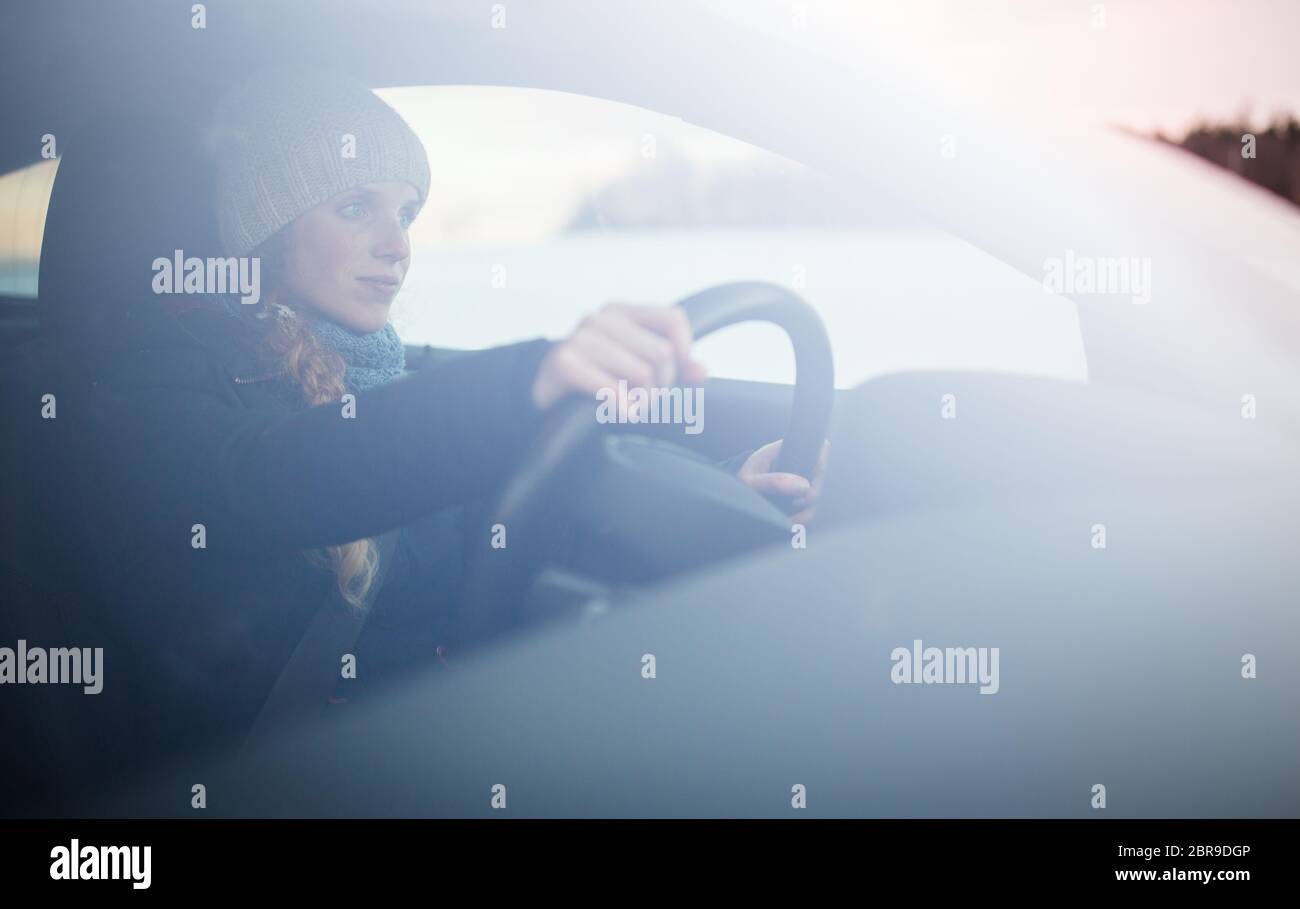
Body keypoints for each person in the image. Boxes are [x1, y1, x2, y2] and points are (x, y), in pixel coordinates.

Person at [82, 66, 822, 785]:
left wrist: (722, 489)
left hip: (436, 736)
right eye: (354, 207)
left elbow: (526, 516)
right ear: (270, 234)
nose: (397, 244)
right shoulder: (165, 383)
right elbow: (275, 475)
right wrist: (527, 379)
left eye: (404, 213)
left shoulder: (391, 382)